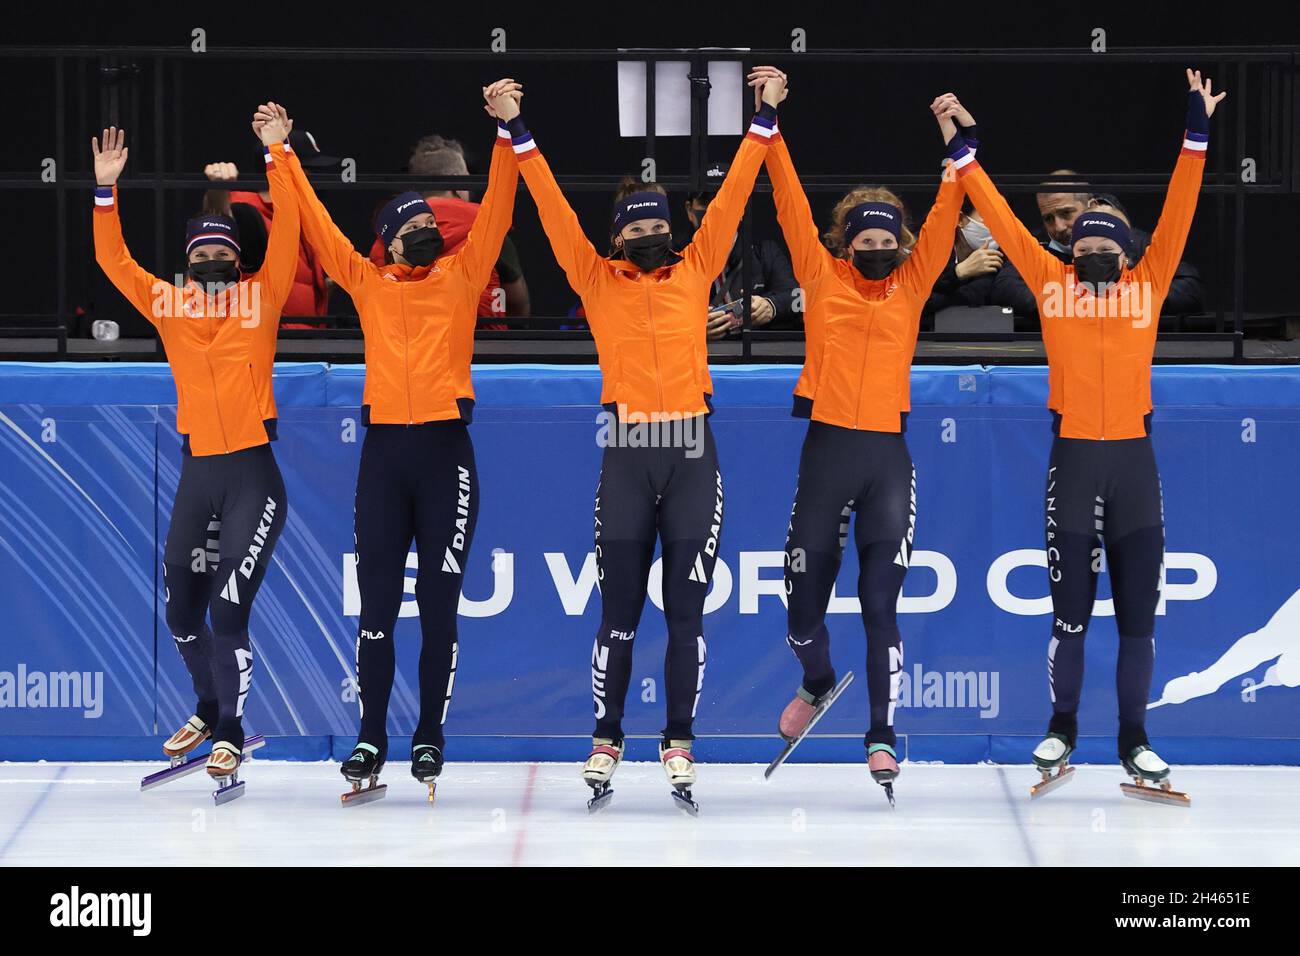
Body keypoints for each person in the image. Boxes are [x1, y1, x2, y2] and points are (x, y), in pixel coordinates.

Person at [497, 68, 786, 810]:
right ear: (617, 236)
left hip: (692, 456)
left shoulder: (694, 271)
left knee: (686, 616)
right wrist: (518, 132)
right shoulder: (596, 281)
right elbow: (554, 211)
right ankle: (606, 735)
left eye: (661, 228)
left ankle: (680, 738)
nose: (654, 237)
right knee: (618, 615)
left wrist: (764, 116)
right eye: (639, 229)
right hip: (626, 456)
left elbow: (729, 204)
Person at [942, 69, 1225, 797]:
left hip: (1133, 467)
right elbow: (1001, 218)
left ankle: (1136, 740)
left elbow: (1181, 212)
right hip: (1073, 464)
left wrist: (1197, 134)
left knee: (1137, 621)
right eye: (1088, 248)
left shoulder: (1149, 285)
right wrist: (965, 148)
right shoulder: (1050, 283)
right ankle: (1062, 725)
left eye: (1112, 249)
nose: (1100, 257)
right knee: (1070, 618)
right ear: (1070, 254)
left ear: (1129, 255)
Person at [263, 84, 520, 798]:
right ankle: (371, 736)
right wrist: (281, 153)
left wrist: (507, 133)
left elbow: (497, 213)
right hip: (385, 459)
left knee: (440, 610)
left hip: (444, 457)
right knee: (376, 610)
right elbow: (315, 226)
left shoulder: (462, 278)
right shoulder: (370, 283)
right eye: (418, 228)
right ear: (395, 237)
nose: (433, 233)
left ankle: (430, 738)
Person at [751, 65, 965, 802]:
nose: (876, 244)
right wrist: (770, 118)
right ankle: (816, 684)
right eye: (864, 236)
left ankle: (880, 734)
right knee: (801, 606)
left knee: (881, 603)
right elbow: (785, 206)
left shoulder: (912, 280)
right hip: (828, 451)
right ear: (845, 244)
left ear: (901, 243)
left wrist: (956, 141)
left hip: (886, 458)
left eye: (887, 236)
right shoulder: (822, 275)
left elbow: (949, 209)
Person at [91, 107, 299, 784]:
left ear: (239, 260)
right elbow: (111, 260)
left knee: (228, 608)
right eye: (203, 255)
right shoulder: (171, 305)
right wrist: (105, 189)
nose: (213, 261)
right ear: (187, 261)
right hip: (199, 471)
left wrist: (277, 156)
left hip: (251, 476)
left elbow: (291, 235)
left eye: (223, 254)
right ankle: (210, 709)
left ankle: (234, 733)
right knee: (182, 609)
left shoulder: (260, 300)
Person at [992, 173, 1206, 328]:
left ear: (1090, 205)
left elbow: (1189, 288)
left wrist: (1127, 302)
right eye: (1048, 218)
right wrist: (1068, 304)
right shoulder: (1035, 244)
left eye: (1066, 213)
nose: (1058, 226)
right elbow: (1005, 286)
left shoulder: (1134, 242)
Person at [365, 134, 530, 330]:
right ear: (456, 181)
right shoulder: (487, 229)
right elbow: (519, 306)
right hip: (480, 350)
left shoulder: (385, 240)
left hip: (407, 352)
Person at [202, 128, 336, 328]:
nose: (315, 180)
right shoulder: (241, 209)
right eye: (309, 170)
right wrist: (218, 190)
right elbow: (213, 233)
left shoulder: (304, 216)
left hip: (306, 343)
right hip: (270, 343)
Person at [681, 188, 800, 339]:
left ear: (741, 210)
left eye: (724, 200)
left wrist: (771, 305)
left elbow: (797, 296)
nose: (715, 208)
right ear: (690, 210)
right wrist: (691, 327)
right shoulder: (674, 257)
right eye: (706, 202)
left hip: (755, 355)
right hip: (696, 357)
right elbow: (658, 312)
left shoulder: (764, 251)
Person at [924, 201, 1003, 319]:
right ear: (960, 219)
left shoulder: (1004, 257)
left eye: (1001, 219)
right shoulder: (928, 249)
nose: (996, 225)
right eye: (987, 216)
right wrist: (958, 272)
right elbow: (915, 299)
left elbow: (973, 298)